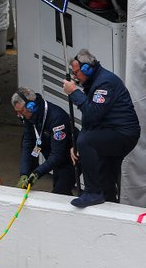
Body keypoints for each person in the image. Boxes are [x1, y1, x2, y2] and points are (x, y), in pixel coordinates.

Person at [62, 49, 140, 207]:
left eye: (76, 73)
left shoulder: (105, 82)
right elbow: (90, 122)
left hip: (123, 134)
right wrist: (75, 145)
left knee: (87, 141)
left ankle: (93, 192)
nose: (75, 77)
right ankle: (108, 197)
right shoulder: (94, 83)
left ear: (87, 69)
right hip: (111, 131)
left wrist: (74, 93)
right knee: (103, 164)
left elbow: (93, 113)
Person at [12, 88, 75, 196]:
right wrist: (24, 173)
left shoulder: (57, 118)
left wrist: (37, 173)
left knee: (58, 194)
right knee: (61, 192)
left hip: (71, 159)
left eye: (20, 111)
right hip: (56, 161)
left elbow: (57, 154)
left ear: (30, 106)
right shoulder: (29, 118)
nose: (19, 115)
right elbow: (27, 144)